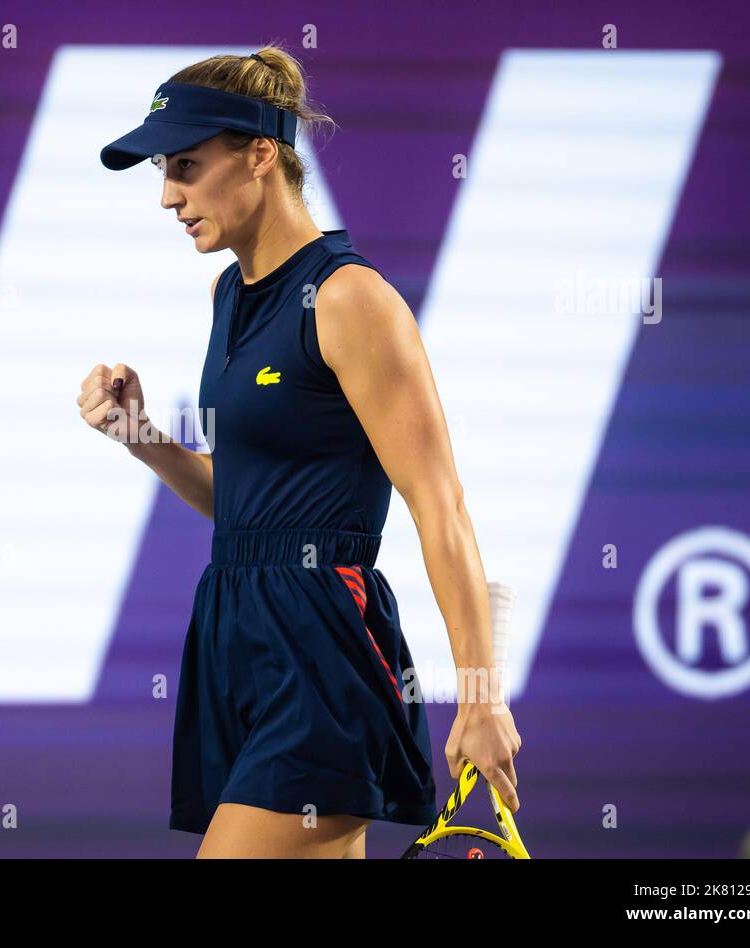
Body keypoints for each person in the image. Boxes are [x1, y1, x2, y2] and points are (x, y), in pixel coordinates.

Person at [77, 45, 521, 858]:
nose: (169, 196)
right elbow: (247, 501)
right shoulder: (226, 295)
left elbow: (439, 503)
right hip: (233, 635)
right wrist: (141, 438)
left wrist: (481, 696)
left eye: (185, 165)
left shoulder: (353, 299)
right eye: (161, 173)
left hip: (324, 649)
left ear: (259, 154)